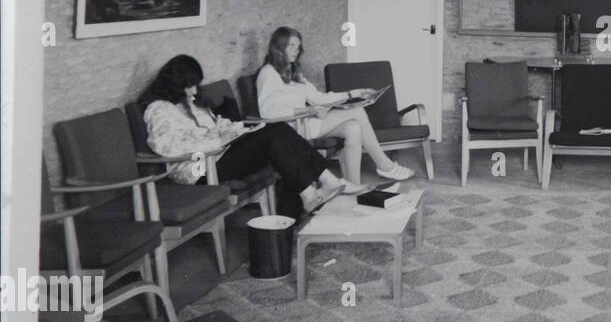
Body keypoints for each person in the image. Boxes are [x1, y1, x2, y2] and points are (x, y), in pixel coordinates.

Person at [139, 55, 353, 218]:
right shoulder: (159, 109)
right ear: (175, 83)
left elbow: (217, 125)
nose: (195, 90)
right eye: (190, 85)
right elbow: (167, 146)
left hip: (222, 155)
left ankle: (326, 181)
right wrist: (216, 141)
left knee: (277, 130)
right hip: (200, 170)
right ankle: (309, 193)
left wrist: (237, 130)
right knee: (272, 137)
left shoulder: (192, 103)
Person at [256, 26, 415, 184]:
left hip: (308, 124)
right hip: (291, 130)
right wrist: (306, 110)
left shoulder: (293, 72)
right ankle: (384, 165)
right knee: (358, 112)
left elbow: (318, 98)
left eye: (298, 46)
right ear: (279, 45)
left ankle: (353, 185)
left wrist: (354, 93)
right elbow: (267, 111)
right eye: (292, 45)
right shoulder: (268, 73)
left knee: (353, 128)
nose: (296, 50)